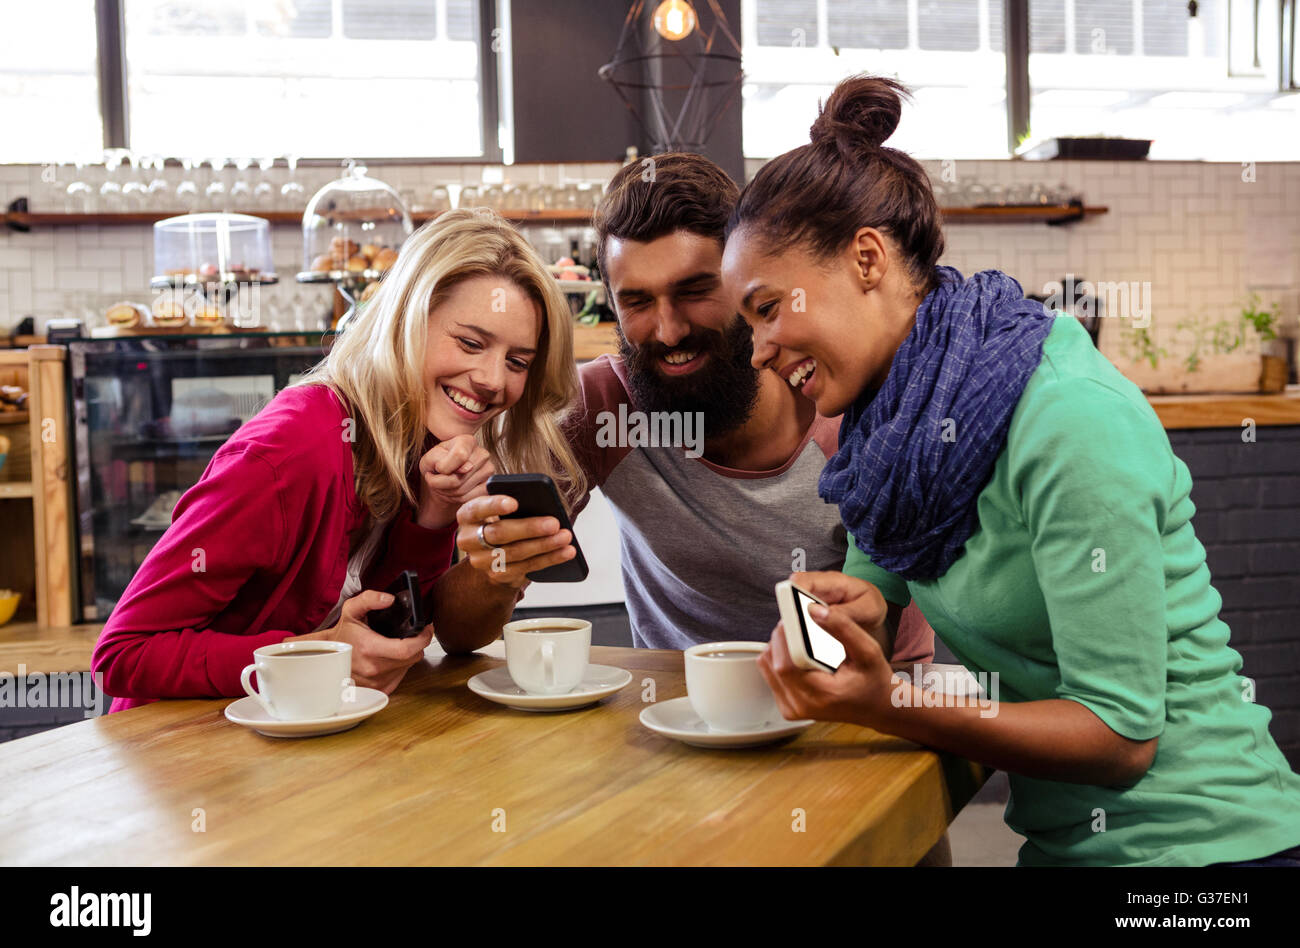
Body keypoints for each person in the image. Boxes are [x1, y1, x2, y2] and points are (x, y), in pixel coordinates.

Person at [722, 74, 1300, 866]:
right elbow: (878, 592)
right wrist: (846, 617)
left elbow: (1121, 734)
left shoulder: (1067, 418)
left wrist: (886, 702)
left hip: (1211, 851)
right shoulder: (891, 425)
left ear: (866, 258)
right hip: (1065, 846)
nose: (755, 349)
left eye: (765, 308)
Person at [93, 210, 586, 711]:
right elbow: (121, 656)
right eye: (470, 343)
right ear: (404, 320)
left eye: (517, 361)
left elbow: (382, 622)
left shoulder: (421, 441)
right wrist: (311, 656)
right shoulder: (293, 447)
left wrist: (433, 515)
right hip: (179, 752)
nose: (492, 380)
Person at [455, 153, 933, 662]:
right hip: (677, 710)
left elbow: (875, 630)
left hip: (869, 699)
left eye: (695, 291)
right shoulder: (601, 409)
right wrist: (492, 569)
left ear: (746, 278)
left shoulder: (845, 403)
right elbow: (463, 629)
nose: (669, 330)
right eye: (637, 301)